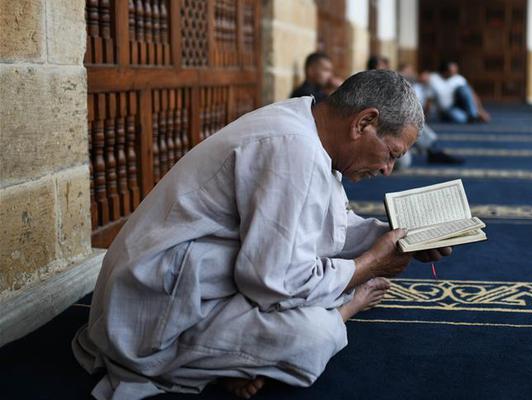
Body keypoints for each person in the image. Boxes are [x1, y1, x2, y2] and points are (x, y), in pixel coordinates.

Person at [72, 70, 453, 400]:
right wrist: (370, 265)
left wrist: (395, 236)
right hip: (152, 310)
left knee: (335, 274)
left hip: (196, 277)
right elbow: (273, 284)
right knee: (316, 334)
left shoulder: (307, 126)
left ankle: (241, 357)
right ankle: (234, 357)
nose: (388, 169)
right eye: (391, 153)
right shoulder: (294, 150)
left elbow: (325, 227)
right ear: (363, 123)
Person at [368, 60, 463, 166]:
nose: (387, 71)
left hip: (389, 132)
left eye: (387, 68)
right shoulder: (367, 87)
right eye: (383, 68)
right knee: (403, 163)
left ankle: (433, 150)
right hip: (375, 135)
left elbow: (407, 76)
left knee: (409, 119)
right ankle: (432, 149)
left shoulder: (388, 84)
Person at [426, 61, 490, 124]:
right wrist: (424, 114)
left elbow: (472, 95)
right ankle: (471, 117)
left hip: (459, 104)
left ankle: (473, 114)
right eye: (452, 71)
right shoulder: (434, 79)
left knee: (464, 89)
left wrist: (481, 111)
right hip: (446, 109)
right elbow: (429, 99)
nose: (455, 73)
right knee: (460, 119)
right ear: (445, 71)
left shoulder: (459, 78)